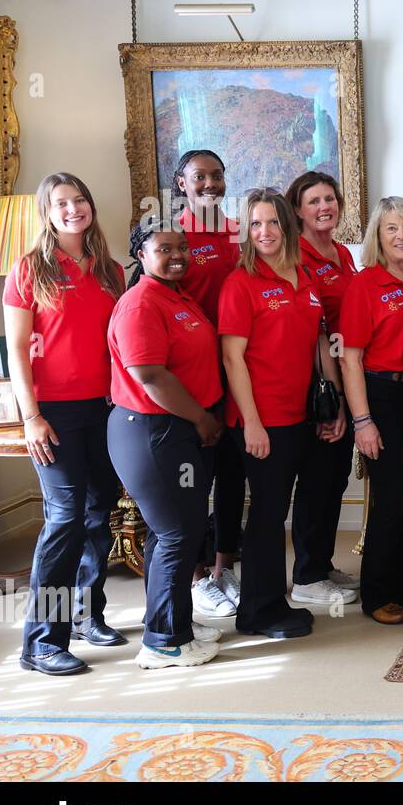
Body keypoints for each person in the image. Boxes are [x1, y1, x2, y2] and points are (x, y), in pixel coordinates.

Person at [5, 173, 125, 675]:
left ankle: (86, 613)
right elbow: (16, 350)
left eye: (80, 199)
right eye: (61, 203)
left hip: (105, 409)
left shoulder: (113, 271)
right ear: (47, 213)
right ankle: (41, 641)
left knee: (100, 513)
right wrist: (30, 417)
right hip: (52, 414)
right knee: (65, 519)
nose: (73, 209)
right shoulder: (30, 269)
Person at [218, 189, 346, 639]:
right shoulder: (241, 283)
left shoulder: (305, 276)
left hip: (300, 414)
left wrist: (334, 403)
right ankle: (258, 612)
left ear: (288, 227)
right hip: (262, 418)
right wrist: (251, 422)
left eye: (273, 222)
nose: (265, 232)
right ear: (246, 231)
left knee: (283, 513)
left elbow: (319, 342)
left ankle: (276, 601)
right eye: (255, 224)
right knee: (269, 514)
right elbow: (233, 359)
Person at [107, 220, 225, 668]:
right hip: (155, 431)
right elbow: (150, 375)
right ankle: (162, 642)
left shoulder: (175, 294)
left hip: (179, 430)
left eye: (183, 247)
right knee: (177, 533)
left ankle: (174, 622)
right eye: (164, 248)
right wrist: (200, 418)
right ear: (141, 254)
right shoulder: (139, 305)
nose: (177, 255)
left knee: (172, 533)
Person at [340, 197, 403, 624]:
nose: (402, 236)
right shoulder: (365, 285)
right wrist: (363, 421)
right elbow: (350, 359)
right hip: (384, 396)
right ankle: (377, 591)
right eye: (392, 229)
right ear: (377, 236)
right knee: (392, 499)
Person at [174, 150, 246, 619]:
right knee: (193, 479)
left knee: (232, 473)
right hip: (191, 377)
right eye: (199, 177)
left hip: (236, 370)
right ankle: (198, 575)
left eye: (217, 176)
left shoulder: (240, 233)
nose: (210, 184)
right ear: (182, 183)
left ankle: (225, 567)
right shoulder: (172, 236)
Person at [286, 171, 360, 605]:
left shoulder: (344, 255)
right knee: (316, 479)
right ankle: (308, 576)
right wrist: (330, 400)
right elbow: (314, 329)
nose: (324, 207)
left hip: (344, 374)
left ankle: (322, 563)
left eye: (330, 199)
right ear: (297, 209)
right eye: (313, 201)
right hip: (318, 384)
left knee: (334, 478)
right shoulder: (296, 257)